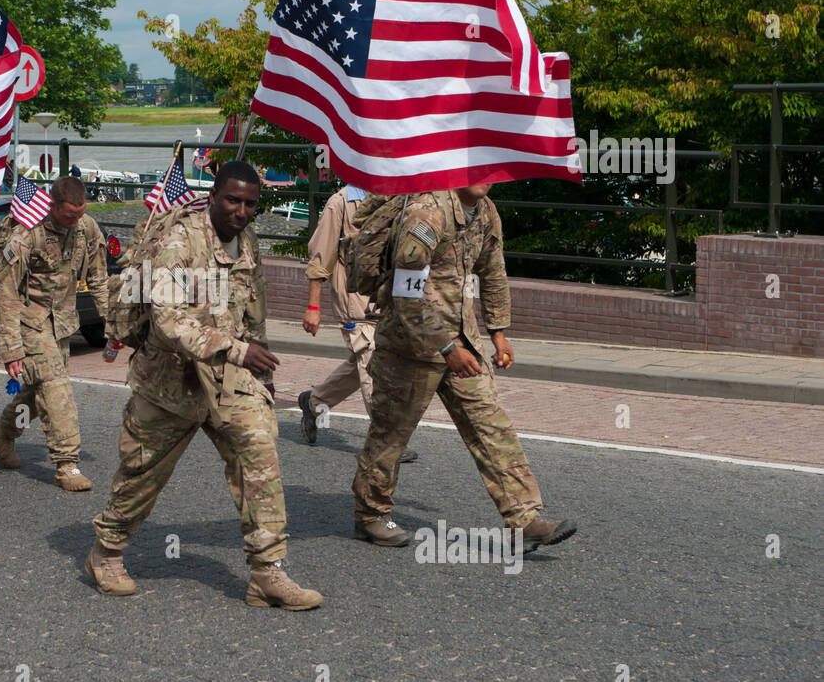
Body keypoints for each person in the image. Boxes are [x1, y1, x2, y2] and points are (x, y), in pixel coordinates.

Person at [87, 161, 323, 610]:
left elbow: (253, 317)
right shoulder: (178, 242)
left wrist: (263, 379)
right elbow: (169, 320)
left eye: (250, 203)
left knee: (259, 452)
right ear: (213, 196)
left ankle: (266, 572)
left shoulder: (247, 242)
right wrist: (237, 351)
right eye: (232, 200)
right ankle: (106, 553)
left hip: (228, 380)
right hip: (169, 379)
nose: (241, 211)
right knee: (142, 474)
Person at [351, 183, 577, 551]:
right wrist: (445, 346)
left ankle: (523, 520)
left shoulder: (486, 212)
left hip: (464, 346)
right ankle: (371, 514)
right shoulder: (426, 214)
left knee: (493, 427)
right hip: (411, 347)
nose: (484, 176)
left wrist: (499, 332)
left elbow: (493, 270)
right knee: (390, 437)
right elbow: (406, 294)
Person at [0, 175, 107, 491]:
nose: (74, 221)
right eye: (69, 215)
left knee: (36, 397)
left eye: (80, 214)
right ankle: (67, 464)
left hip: (62, 323)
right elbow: (6, 292)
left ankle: (4, 433)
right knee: (56, 389)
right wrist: (11, 349)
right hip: (30, 323)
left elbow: (98, 279)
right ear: (52, 206)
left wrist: (115, 323)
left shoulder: (87, 228)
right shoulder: (28, 234)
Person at [297, 185, 418, 461]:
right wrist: (313, 308)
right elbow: (320, 258)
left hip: (385, 303)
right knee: (372, 364)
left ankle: (314, 403)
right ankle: (387, 440)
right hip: (355, 305)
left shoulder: (396, 197)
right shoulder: (339, 204)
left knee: (360, 365)